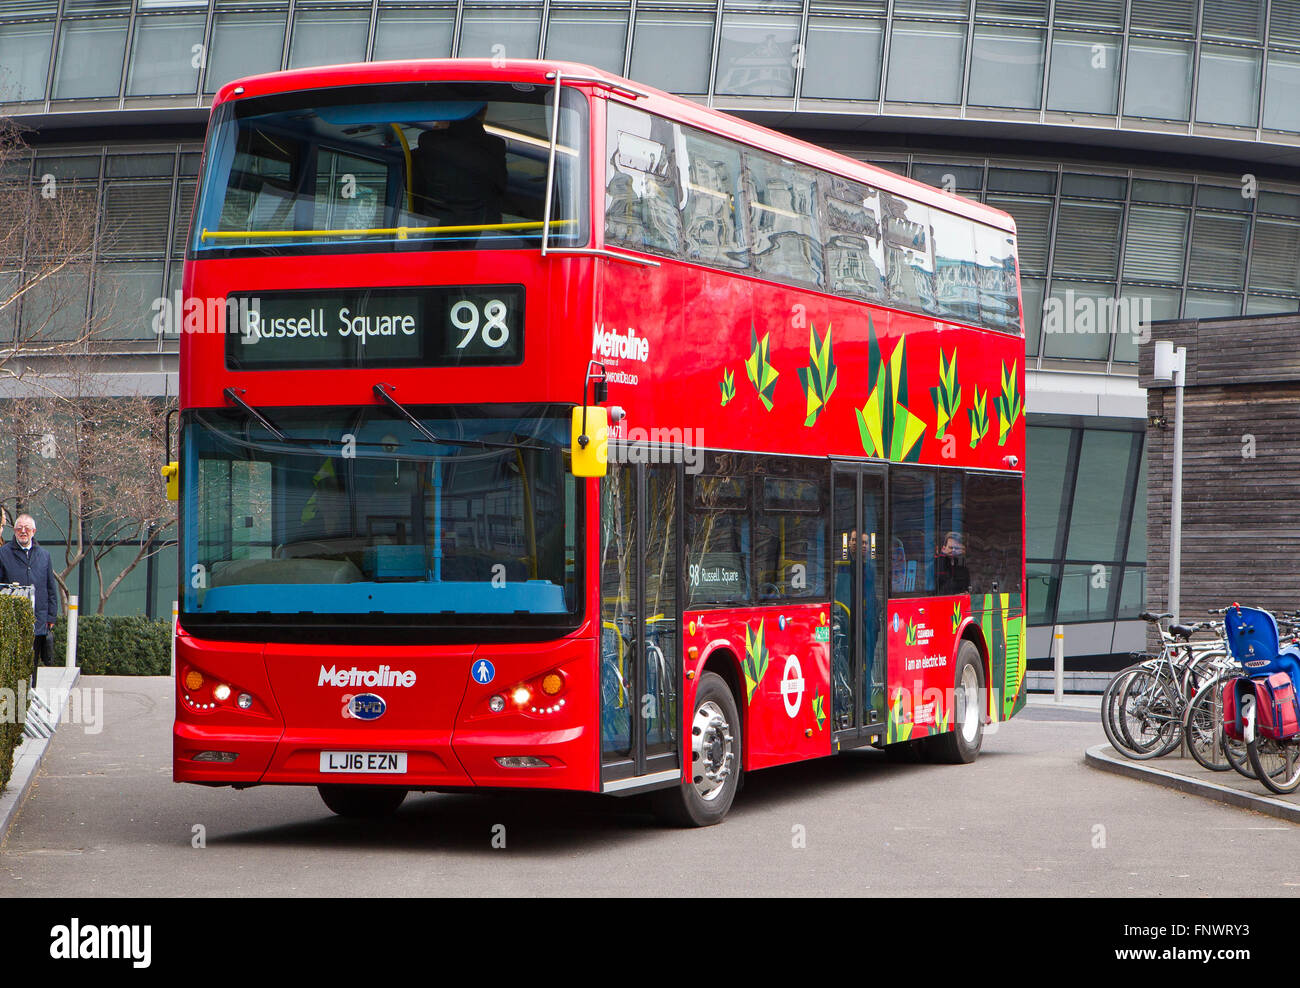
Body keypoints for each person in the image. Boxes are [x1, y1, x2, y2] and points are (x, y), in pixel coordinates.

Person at [0, 513, 60, 680]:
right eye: (19, 528)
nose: (23, 531)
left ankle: (30, 696)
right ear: (15, 531)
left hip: (38, 619)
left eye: (27, 528)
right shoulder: (3, 554)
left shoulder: (44, 555)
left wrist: (51, 616)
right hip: (12, 620)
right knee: (14, 663)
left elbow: (50, 587)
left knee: (33, 663)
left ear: (34, 531)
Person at [935, 530, 970, 594]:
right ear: (943, 548)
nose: (953, 550)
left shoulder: (964, 570)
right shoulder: (935, 566)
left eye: (956, 548)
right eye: (951, 547)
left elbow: (968, 589)